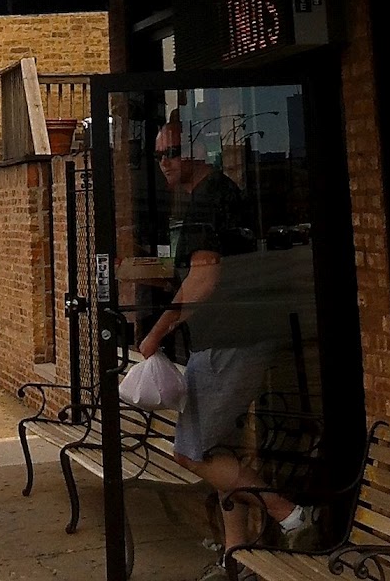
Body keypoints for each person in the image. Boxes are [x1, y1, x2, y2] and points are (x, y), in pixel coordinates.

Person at [138, 116, 315, 569]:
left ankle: (289, 513)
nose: (164, 162)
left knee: (190, 452)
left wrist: (156, 333)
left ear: (197, 151)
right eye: (158, 155)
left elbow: (204, 280)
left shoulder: (208, 200)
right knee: (221, 451)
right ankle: (236, 554)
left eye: (172, 152)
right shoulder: (218, 194)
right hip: (236, 337)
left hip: (229, 342)